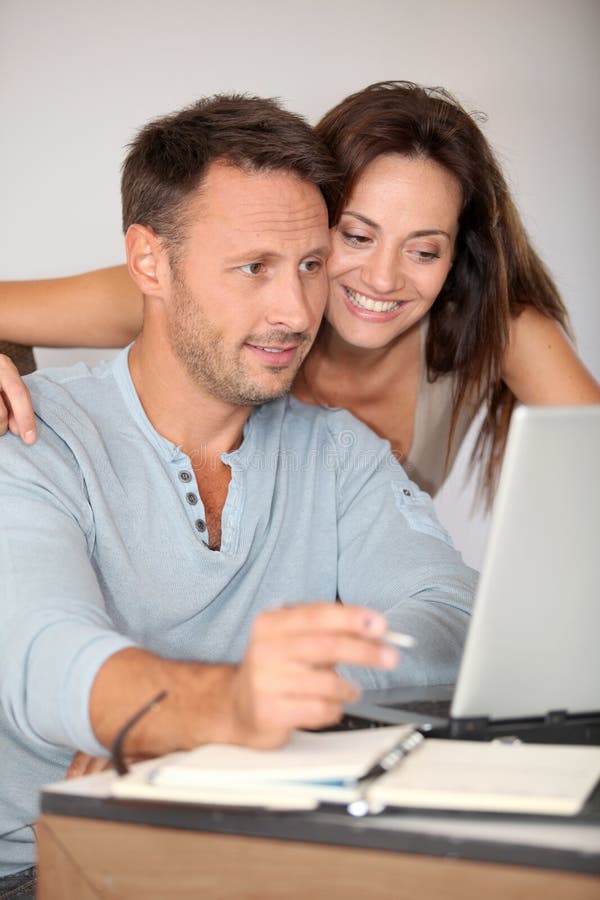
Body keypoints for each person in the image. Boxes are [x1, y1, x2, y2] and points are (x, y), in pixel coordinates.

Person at [0, 93, 476, 891]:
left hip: (258, 855)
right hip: (44, 866)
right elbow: (41, 659)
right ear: (150, 261)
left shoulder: (340, 452)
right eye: (254, 268)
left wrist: (224, 736)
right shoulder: (28, 429)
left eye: (311, 267)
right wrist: (230, 707)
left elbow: (449, 618)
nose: (294, 312)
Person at [1, 82, 598, 500]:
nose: (384, 280)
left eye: (423, 250)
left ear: (454, 256)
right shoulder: (182, 294)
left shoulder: (494, 326)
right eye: (357, 236)